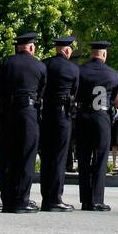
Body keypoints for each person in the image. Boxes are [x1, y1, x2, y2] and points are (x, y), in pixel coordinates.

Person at [0, 32, 46, 213]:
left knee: (8, 157)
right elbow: (41, 93)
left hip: (7, 113)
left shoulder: (6, 62)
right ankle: (22, 200)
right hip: (28, 113)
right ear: (31, 48)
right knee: (26, 158)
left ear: (18, 47)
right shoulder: (39, 66)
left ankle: (7, 200)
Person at [75, 41, 118, 211]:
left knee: (84, 158)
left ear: (91, 53)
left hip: (83, 115)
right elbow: (114, 96)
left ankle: (86, 200)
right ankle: (97, 199)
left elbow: (76, 91)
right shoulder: (112, 74)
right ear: (104, 54)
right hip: (101, 116)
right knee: (100, 159)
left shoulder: (81, 71)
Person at [39, 36, 79, 211]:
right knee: (59, 158)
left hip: (44, 113)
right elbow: (75, 92)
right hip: (62, 115)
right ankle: (55, 198)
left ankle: (46, 197)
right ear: (68, 50)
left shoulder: (44, 64)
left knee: (47, 157)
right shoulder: (72, 68)